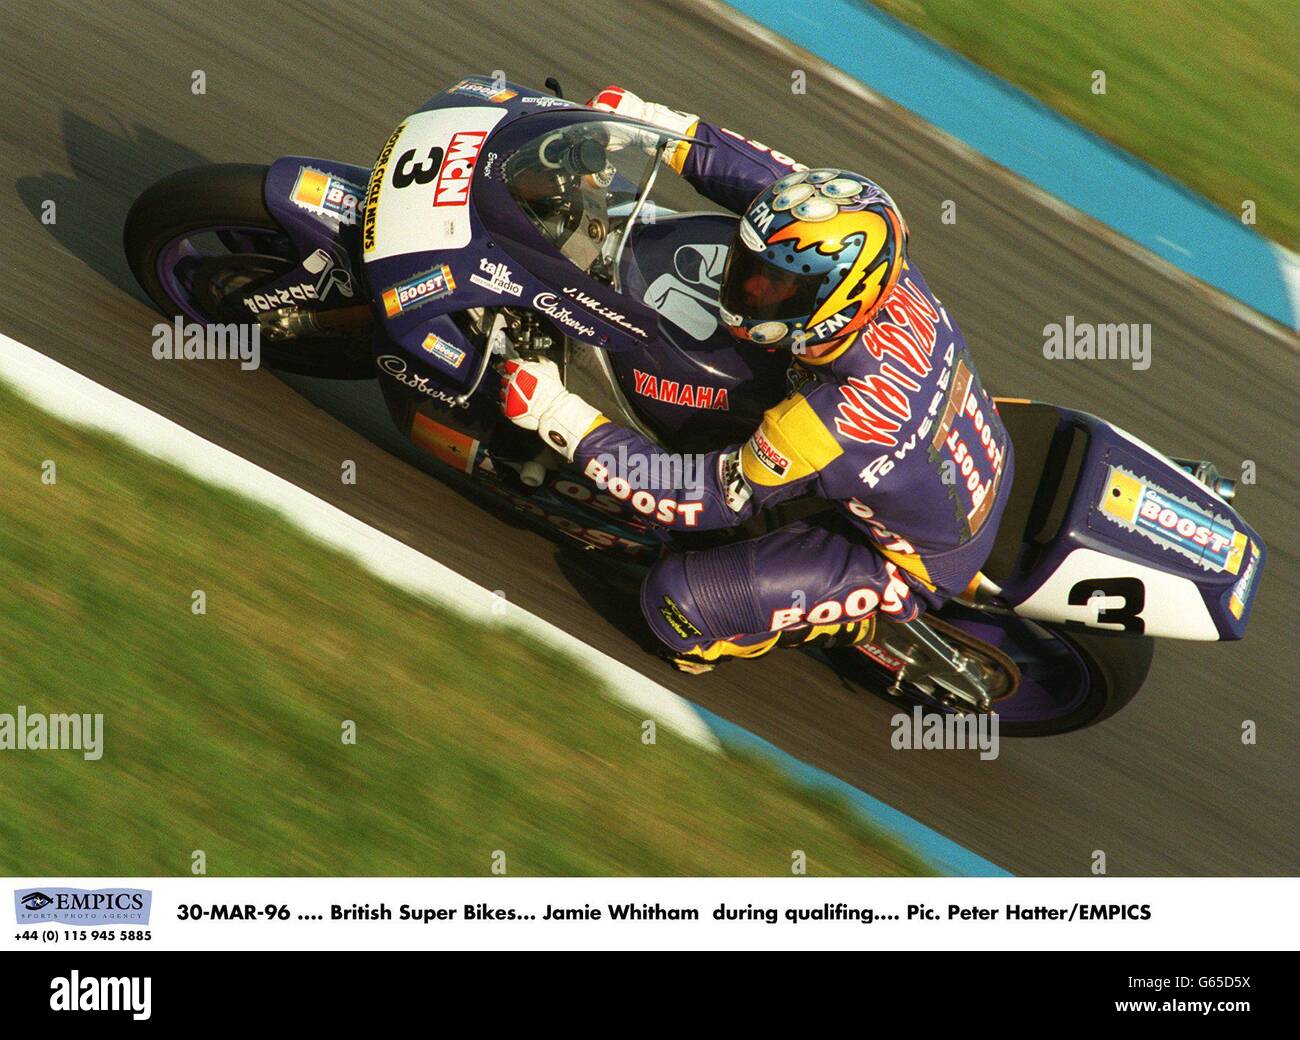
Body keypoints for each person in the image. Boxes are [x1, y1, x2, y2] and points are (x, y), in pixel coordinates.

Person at [498, 87, 1014, 672]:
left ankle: (848, 617)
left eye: (770, 284)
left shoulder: (835, 421)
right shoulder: (873, 258)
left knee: (676, 606)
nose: (746, 284)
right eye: (752, 269)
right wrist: (653, 124)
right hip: (963, 450)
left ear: (835, 305)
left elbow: (700, 498)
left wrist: (562, 419)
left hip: (913, 556)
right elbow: (769, 182)